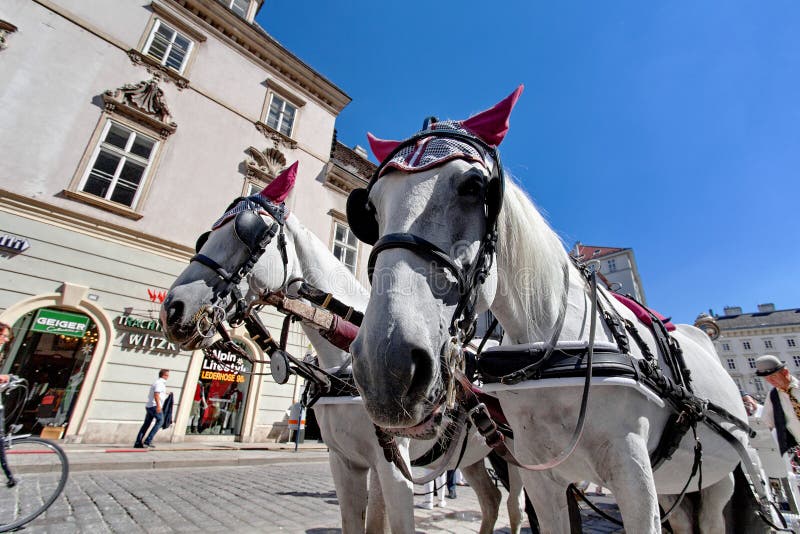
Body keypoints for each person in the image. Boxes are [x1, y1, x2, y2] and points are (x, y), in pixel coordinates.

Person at [757, 355, 800, 456]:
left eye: (773, 377)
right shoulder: (773, 396)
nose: (771, 382)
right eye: (767, 379)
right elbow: (765, 424)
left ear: (785, 372)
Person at [134, 369, 170, 449]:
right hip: (154, 406)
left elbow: (159, 393)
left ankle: (138, 443)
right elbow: (156, 394)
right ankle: (148, 441)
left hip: (150, 406)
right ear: (163, 375)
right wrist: (158, 406)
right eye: (167, 375)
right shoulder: (160, 383)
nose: (168, 377)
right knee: (160, 421)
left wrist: (166, 393)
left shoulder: (157, 383)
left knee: (146, 424)